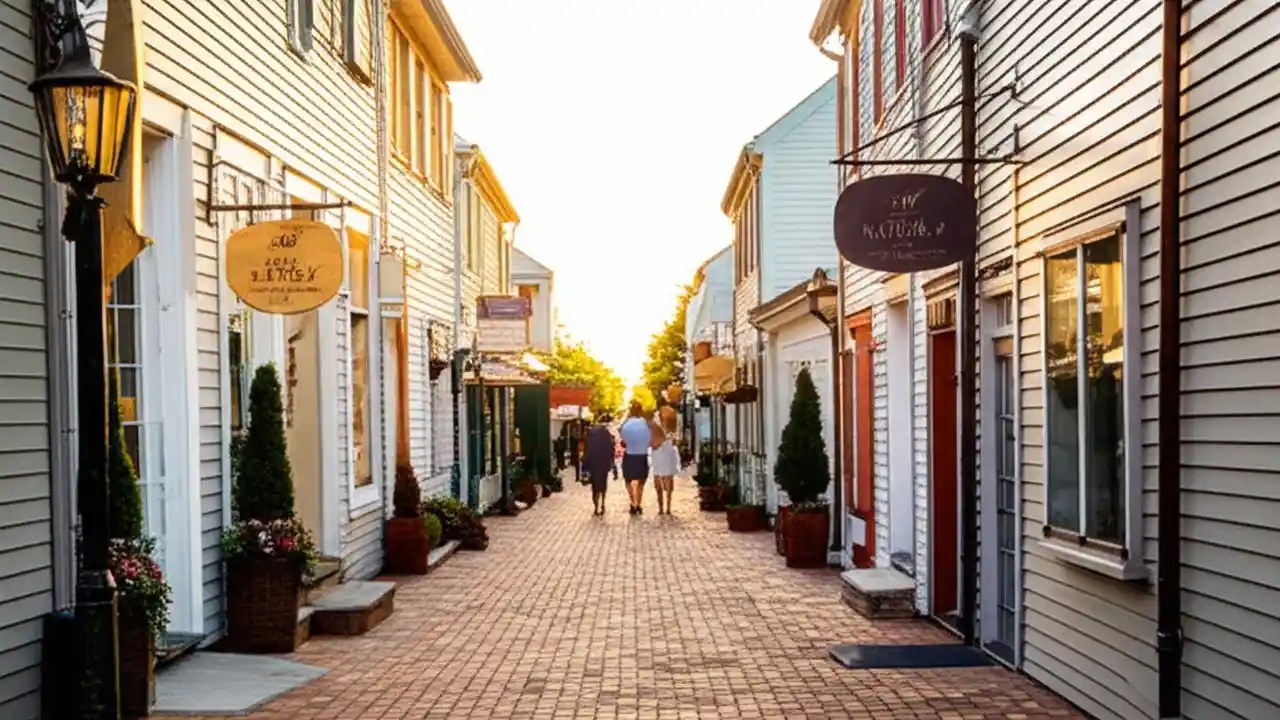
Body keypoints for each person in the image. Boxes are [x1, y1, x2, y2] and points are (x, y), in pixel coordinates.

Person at [618, 401, 655, 514]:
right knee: (641, 482)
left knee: (628, 480)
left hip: (629, 455)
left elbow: (620, 431)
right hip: (642, 455)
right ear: (641, 411)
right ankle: (638, 503)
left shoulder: (626, 424)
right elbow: (651, 438)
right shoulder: (646, 424)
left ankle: (633, 502)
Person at [651, 404, 681, 515]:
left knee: (663, 482)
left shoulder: (660, 425)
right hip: (664, 454)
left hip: (663, 454)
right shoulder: (670, 425)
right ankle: (664, 508)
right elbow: (676, 440)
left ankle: (665, 508)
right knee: (663, 482)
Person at [583, 413, 616, 516]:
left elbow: (587, 451)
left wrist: (585, 464)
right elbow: (611, 450)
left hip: (594, 463)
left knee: (595, 487)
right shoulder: (607, 435)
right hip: (603, 463)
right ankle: (602, 504)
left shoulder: (590, 434)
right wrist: (612, 464)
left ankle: (596, 506)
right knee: (603, 485)